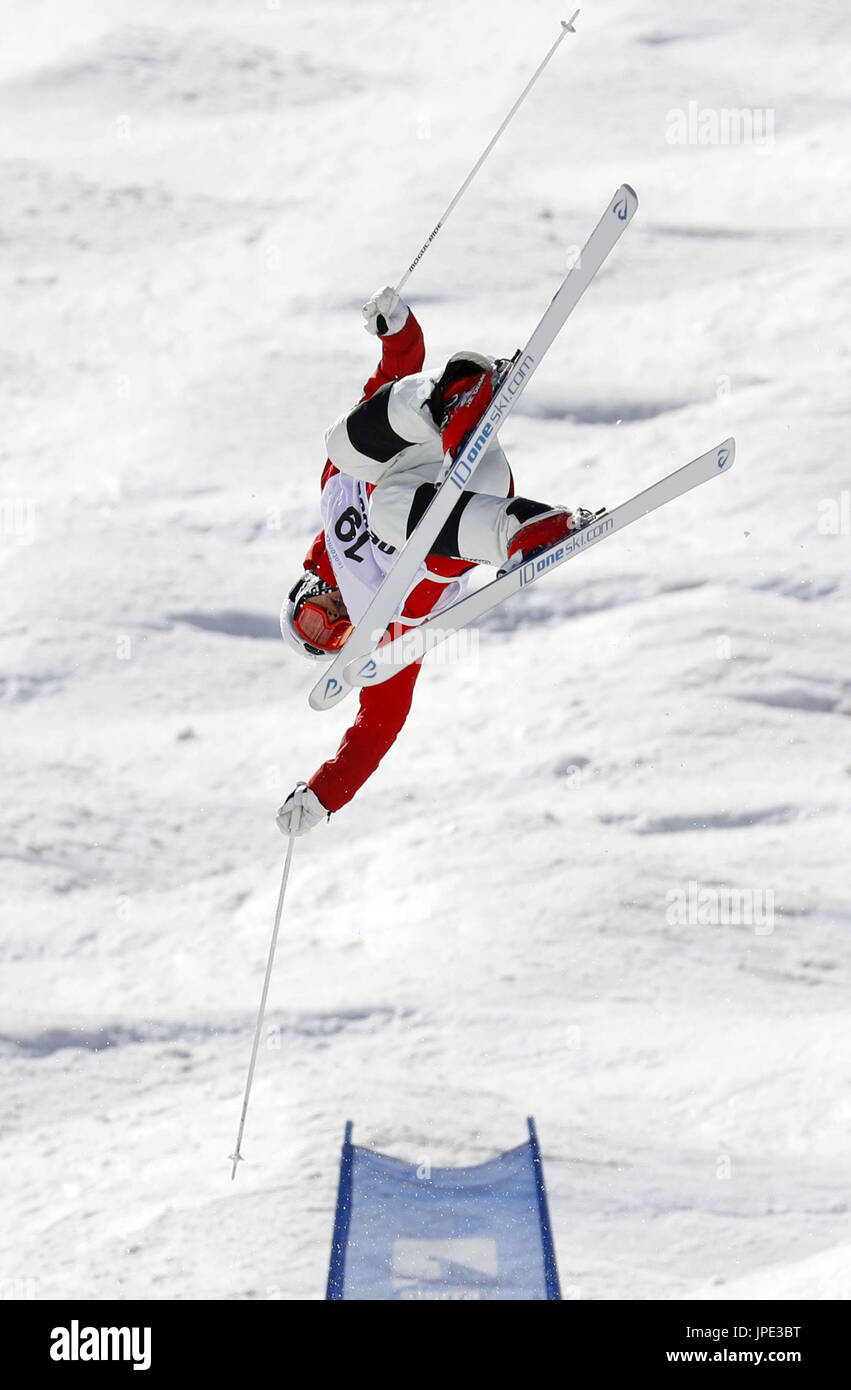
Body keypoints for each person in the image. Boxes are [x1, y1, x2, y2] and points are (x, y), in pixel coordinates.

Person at [276, 286, 593, 836]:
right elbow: (375, 729)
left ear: (304, 591)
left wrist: (396, 329)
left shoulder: (332, 499)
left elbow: (386, 385)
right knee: (392, 521)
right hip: (472, 500)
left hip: (435, 443)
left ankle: (454, 395)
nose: (333, 624)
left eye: (313, 620)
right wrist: (324, 795)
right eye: (327, 640)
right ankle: (526, 529)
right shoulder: (380, 643)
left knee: (340, 449)